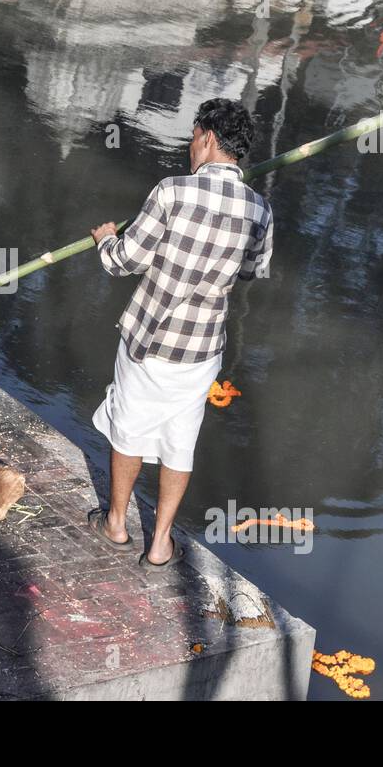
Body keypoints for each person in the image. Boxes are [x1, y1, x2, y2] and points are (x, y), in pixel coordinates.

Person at [87, 98, 273, 569]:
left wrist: (106, 236)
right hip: (203, 349)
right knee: (180, 441)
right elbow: (252, 270)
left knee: (128, 429)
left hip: (149, 340)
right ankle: (160, 543)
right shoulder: (260, 209)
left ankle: (116, 524)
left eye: (193, 137)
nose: (190, 147)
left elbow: (122, 262)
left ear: (208, 138)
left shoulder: (172, 192)